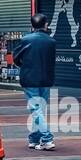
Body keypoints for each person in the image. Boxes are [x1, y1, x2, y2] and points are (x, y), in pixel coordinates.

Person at [14, 13, 57, 150]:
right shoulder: (51, 41)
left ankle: (46, 138)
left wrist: (25, 66)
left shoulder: (26, 39)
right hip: (46, 79)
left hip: (30, 78)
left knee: (36, 110)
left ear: (32, 25)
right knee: (39, 109)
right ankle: (34, 138)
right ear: (46, 24)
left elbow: (16, 58)